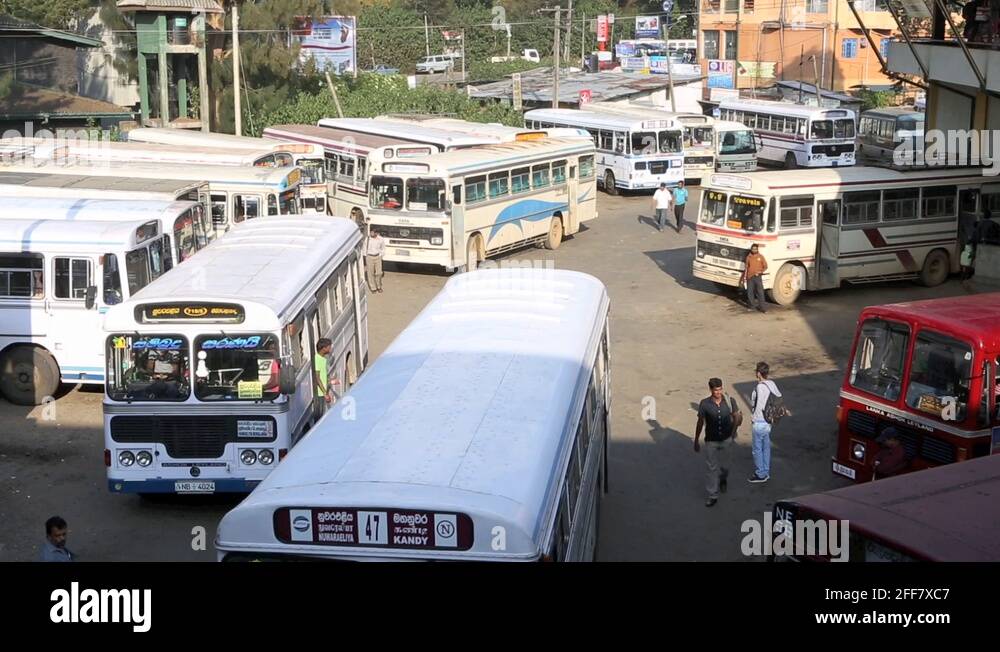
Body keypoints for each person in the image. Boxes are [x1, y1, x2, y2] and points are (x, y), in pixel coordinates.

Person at [694, 377, 741, 507]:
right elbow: (700, 422)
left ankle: (723, 478)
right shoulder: (704, 404)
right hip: (711, 441)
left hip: (726, 439)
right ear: (710, 390)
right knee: (711, 468)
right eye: (716, 390)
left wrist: (732, 434)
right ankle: (712, 495)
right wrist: (696, 440)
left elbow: (737, 416)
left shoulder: (730, 401)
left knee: (726, 466)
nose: (718, 392)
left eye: (720, 389)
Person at [749, 361, 782, 483]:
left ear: (758, 373)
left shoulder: (759, 387)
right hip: (769, 421)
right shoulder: (772, 384)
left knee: (757, 449)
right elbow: (778, 397)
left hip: (759, 421)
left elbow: (757, 406)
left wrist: (753, 418)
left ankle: (760, 474)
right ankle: (766, 471)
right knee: (766, 447)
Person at [740, 243, 768, 313]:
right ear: (751, 249)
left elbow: (765, 266)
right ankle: (752, 306)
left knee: (760, 293)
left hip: (758, 277)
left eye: (755, 249)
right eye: (753, 249)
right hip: (750, 277)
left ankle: (763, 308)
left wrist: (760, 272)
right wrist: (744, 277)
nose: (754, 250)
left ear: (757, 249)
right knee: (750, 292)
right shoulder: (748, 257)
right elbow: (746, 267)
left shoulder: (761, 257)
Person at [313, 338, 333, 420]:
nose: (330, 349)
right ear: (324, 348)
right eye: (329, 347)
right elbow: (317, 378)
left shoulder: (322, 358)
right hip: (320, 394)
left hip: (323, 392)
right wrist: (325, 393)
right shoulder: (317, 359)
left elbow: (323, 375)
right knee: (319, 418)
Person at [366, 228, 386, 293]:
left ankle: (379, 286)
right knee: (370, 273)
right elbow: (364, 247)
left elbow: (383, 248)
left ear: (376, 233)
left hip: (377, 257)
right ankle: (373, 288)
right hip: (369, 257)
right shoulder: (367, 239)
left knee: (379, 273)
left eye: (373, 232)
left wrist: (381, 255)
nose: (371, 234)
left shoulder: (380, 239)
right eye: (371, 232)